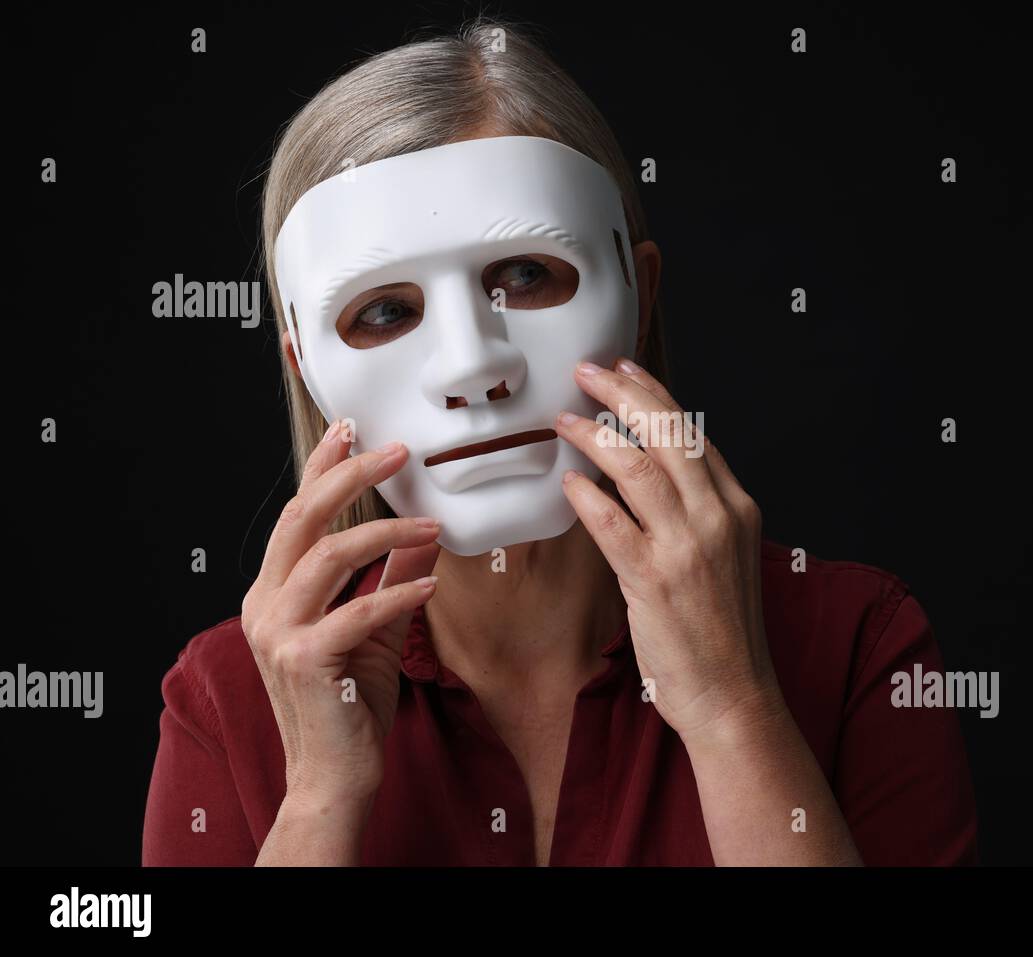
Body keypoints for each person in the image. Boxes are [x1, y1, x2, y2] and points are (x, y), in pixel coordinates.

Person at [142, 16, 978, 867]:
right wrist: (320, 796)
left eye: (525, 274)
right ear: (306, 367)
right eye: (385, 311)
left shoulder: (851, 642)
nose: (475, 367)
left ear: (638, 293)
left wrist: (733, 708)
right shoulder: (228, 698)